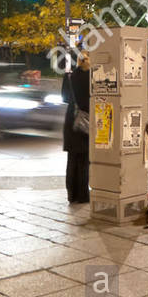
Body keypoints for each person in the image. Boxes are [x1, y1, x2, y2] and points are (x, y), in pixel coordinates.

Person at [61, 51, 90, 204]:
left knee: (72, 160)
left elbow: (64, 97)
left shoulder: (69, 76)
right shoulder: (92, 77)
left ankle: (71, 195)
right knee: (84, 161)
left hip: (71, 122)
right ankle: (83, 195)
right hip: (86, 123)